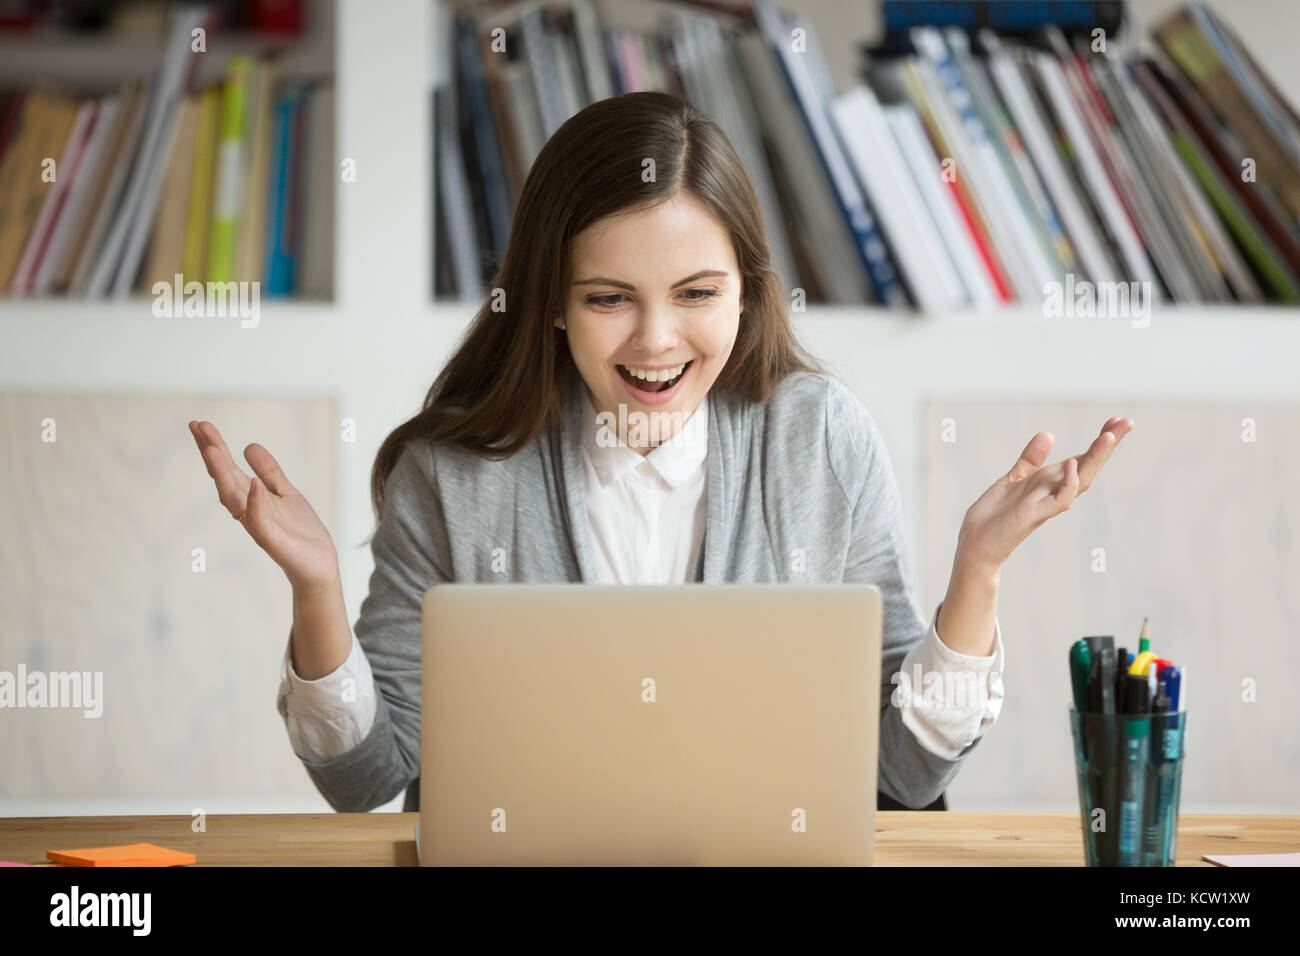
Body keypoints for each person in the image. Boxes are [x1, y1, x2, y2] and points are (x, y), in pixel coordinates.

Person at [188, 91, 1132, 813]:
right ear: (549, 302)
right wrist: (316, 591)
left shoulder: (818, 439)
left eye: (696, 294)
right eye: (607, 298)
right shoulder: (453, 474)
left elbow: (904, 774)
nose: (654, 341)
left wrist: (979, 571)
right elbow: (366, 781)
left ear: (747, 295)